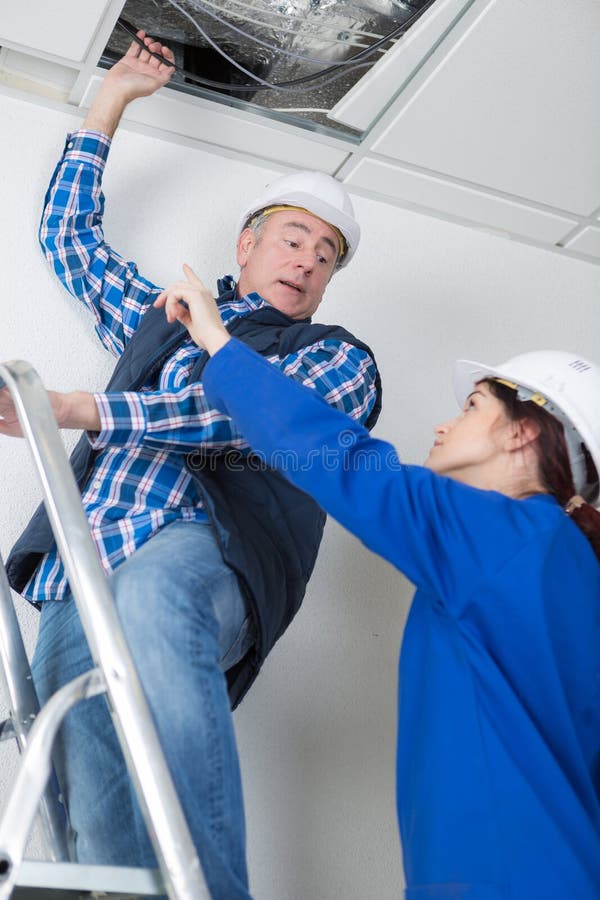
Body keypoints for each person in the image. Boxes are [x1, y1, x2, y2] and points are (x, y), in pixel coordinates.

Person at [0, 30, 382, 900]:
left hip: (197, 549)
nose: (308, 263)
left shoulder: (336, 356)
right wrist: (112, 103)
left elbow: (235, 415)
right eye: (294, 240)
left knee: (154, 594)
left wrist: (77, 409)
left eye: (326, 259)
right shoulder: (163, 316)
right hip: (82, 571)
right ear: (247, 245)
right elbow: (70, 241)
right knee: (98, 826)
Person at [156, 272, 600, 899]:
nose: (444, 427)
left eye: (472, 406)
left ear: (523, 431)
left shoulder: (506, 533)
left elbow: (349, 464)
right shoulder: (573, 568)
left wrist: (219, 345)